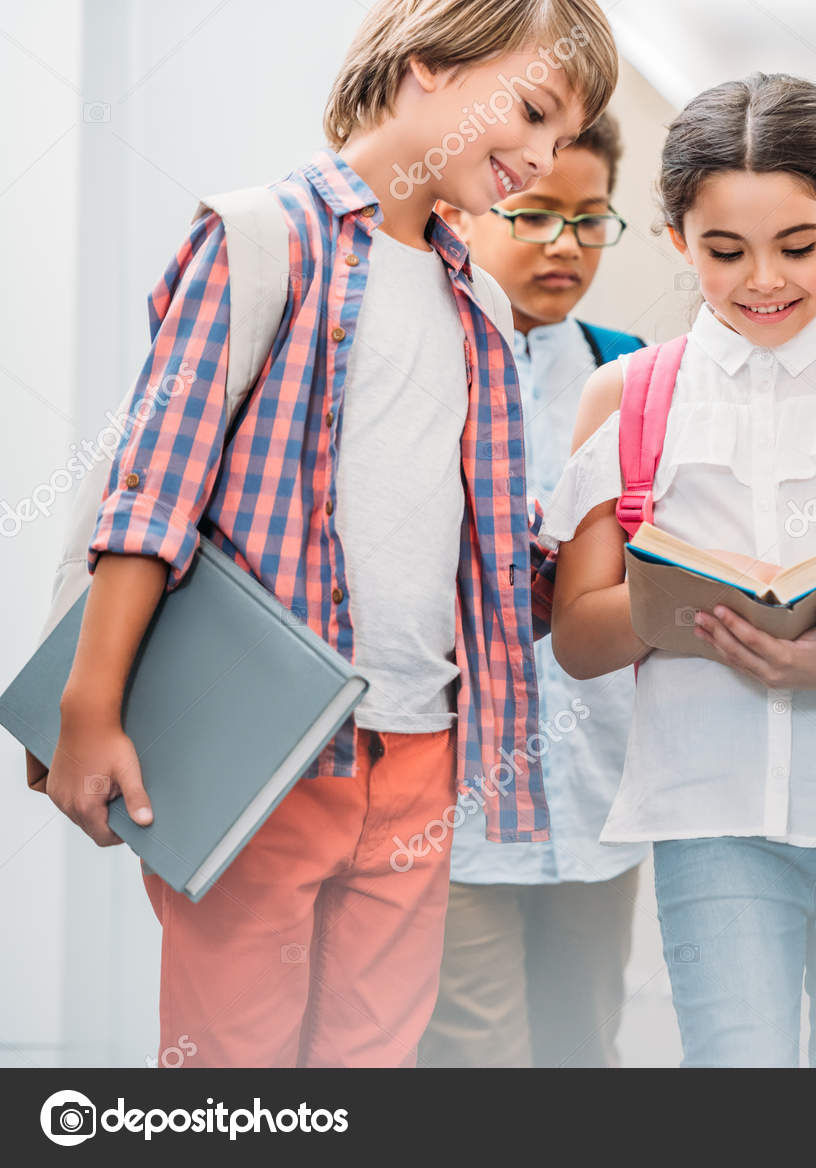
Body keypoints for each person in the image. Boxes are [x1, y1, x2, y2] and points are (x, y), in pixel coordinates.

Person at [37, 0, 618, 1067]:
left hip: (420, 755)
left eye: (560, 140)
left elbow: (482, 557)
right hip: (267, 747)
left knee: (370, 1071)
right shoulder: (261, 238)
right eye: (532, 113)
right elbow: (153, 492)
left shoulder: (477, 306)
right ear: (429, 63)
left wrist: (619, 545)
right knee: (231, 1070)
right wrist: (90, 702)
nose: (538, 160)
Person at [539, 74, 816, 1067]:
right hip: (711, 817)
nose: (764, 280)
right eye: (723, 250)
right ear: (674, 239)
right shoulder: (628, 399)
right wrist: (671, 608)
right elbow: (575, 636)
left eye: (799, 247)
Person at [421, 112, 647, 1069]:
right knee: (476, 1059)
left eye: (592, 219)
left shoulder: (628, 368)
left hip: (597, 793)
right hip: (452, 796)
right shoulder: (422, 362)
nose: (568, 243)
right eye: (538, 214)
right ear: (465, 211)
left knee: (583, 1050)